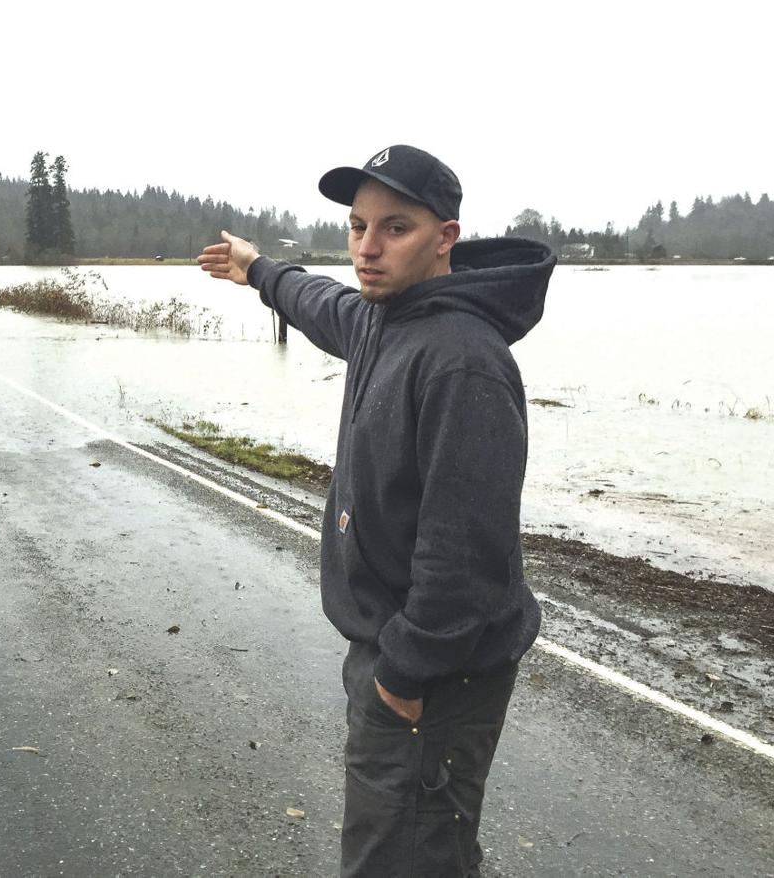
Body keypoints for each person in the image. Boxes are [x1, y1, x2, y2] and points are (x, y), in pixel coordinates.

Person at [197, 145, 555, 877]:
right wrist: (259, 270)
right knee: (414, 849)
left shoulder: (463, 359)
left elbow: (465, 555)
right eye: (358, 227)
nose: (366, 248)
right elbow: (320, 303)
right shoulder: (382, 318)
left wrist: (403, 674)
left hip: (435, 674)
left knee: (404, 859)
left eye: (395, 229)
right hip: (399, 655)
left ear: (445, 238)